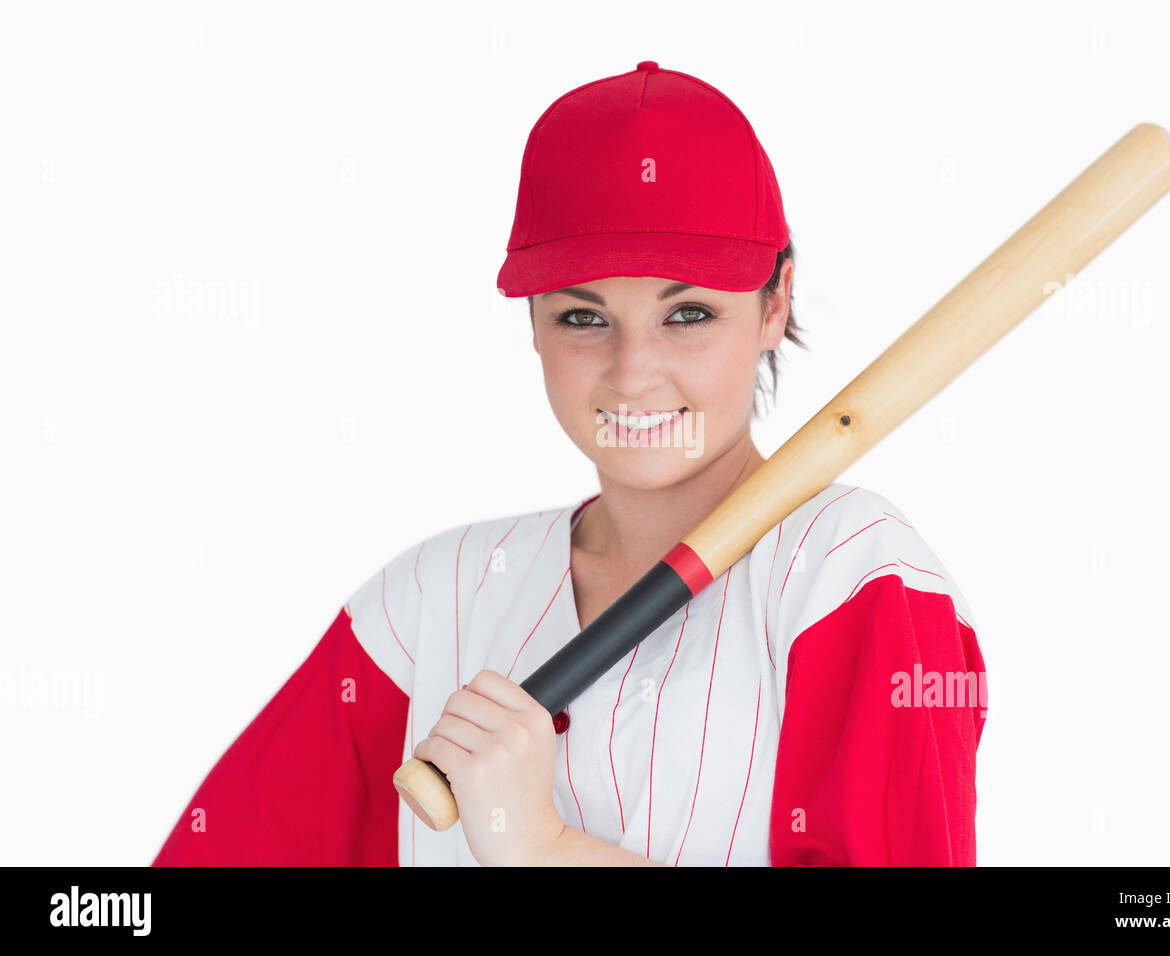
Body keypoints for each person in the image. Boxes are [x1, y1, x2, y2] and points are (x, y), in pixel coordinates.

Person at [152, 60, 987, 867]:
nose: (632, 373)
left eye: (687, 313)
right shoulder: (427, 603)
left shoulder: (851, 574)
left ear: (776, 305)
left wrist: (542, 847)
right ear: (533, 323)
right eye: (583, 319)